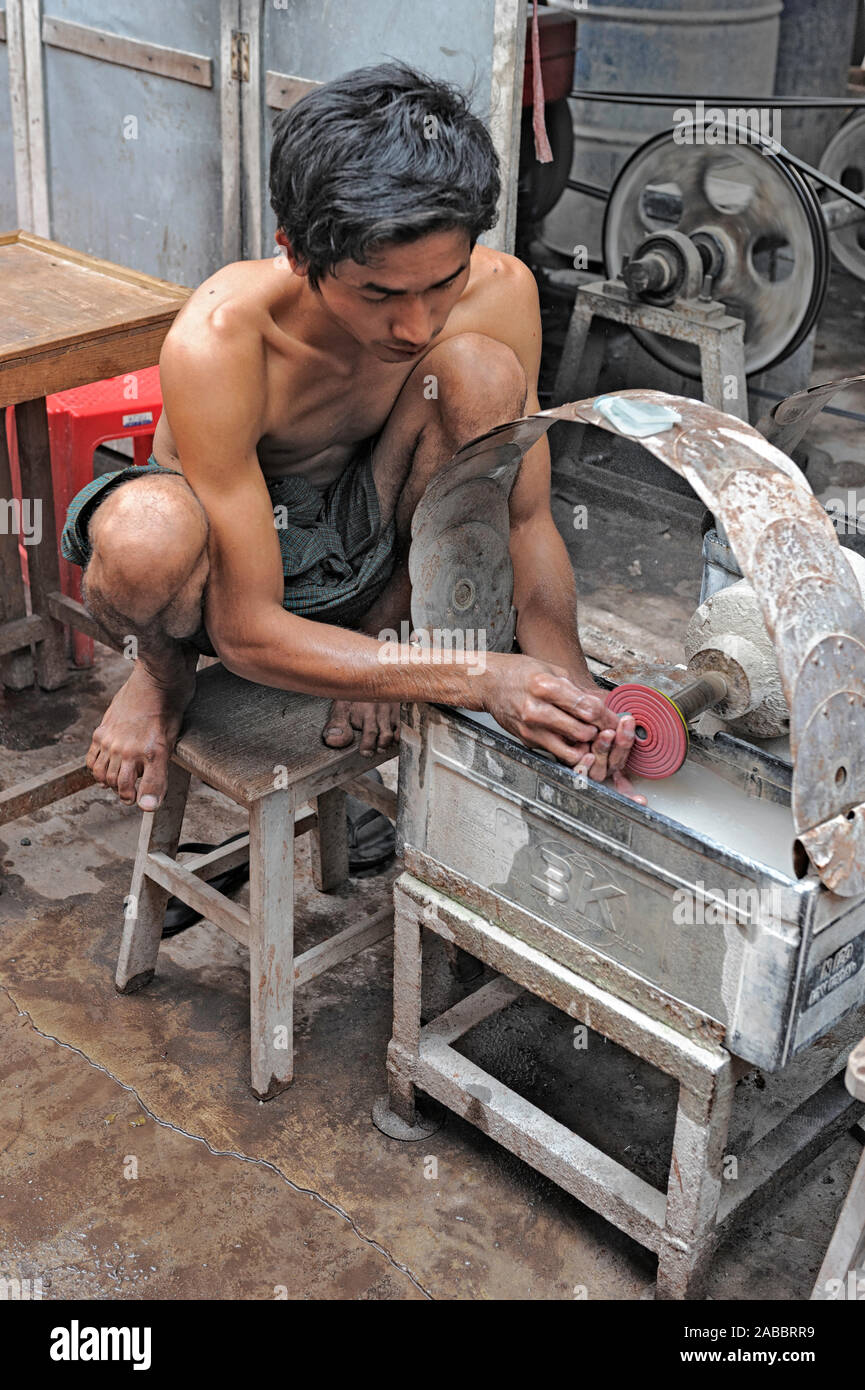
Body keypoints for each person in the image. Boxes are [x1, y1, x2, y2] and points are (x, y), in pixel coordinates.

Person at [61, 62, 644, 818]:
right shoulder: (222, 339)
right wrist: (475, 675)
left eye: (442, 284)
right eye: (379, 294)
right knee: (145, 540)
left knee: (479, 371)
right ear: (297, 253)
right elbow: (245, 631)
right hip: (229, 571)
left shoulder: (500, 293)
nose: (417, 325)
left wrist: (572, 694)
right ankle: (162, 677)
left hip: (368, 545)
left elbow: (524, 519)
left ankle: (375, 640)